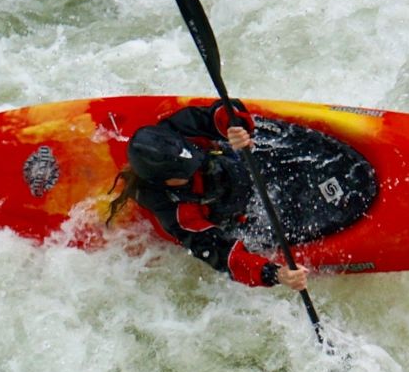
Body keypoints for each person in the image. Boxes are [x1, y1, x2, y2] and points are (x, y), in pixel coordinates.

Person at [120, 103, 312, 292]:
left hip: (241, 163)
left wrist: (235, 128)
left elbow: (219, 112)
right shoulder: (174, 211)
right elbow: (222, 254)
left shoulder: (177, 129)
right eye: (184, 173)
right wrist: (276, 274)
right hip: (240, 213)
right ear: (164, 182)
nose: (194, 169)